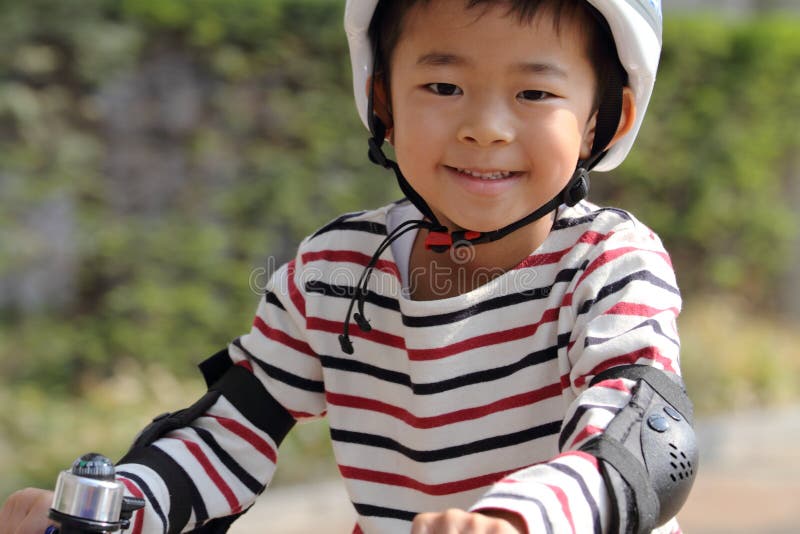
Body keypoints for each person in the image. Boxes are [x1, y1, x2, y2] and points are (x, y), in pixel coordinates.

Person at [0, 0, 698, 532]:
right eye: (444, 87)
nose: (486, 125)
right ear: (381, 104)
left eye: (535, 93)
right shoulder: (334, 270)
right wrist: (116, 507)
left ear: (603, 120)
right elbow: (226, 432)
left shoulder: (609, 263)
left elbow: (642, 437)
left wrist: (516, 521)